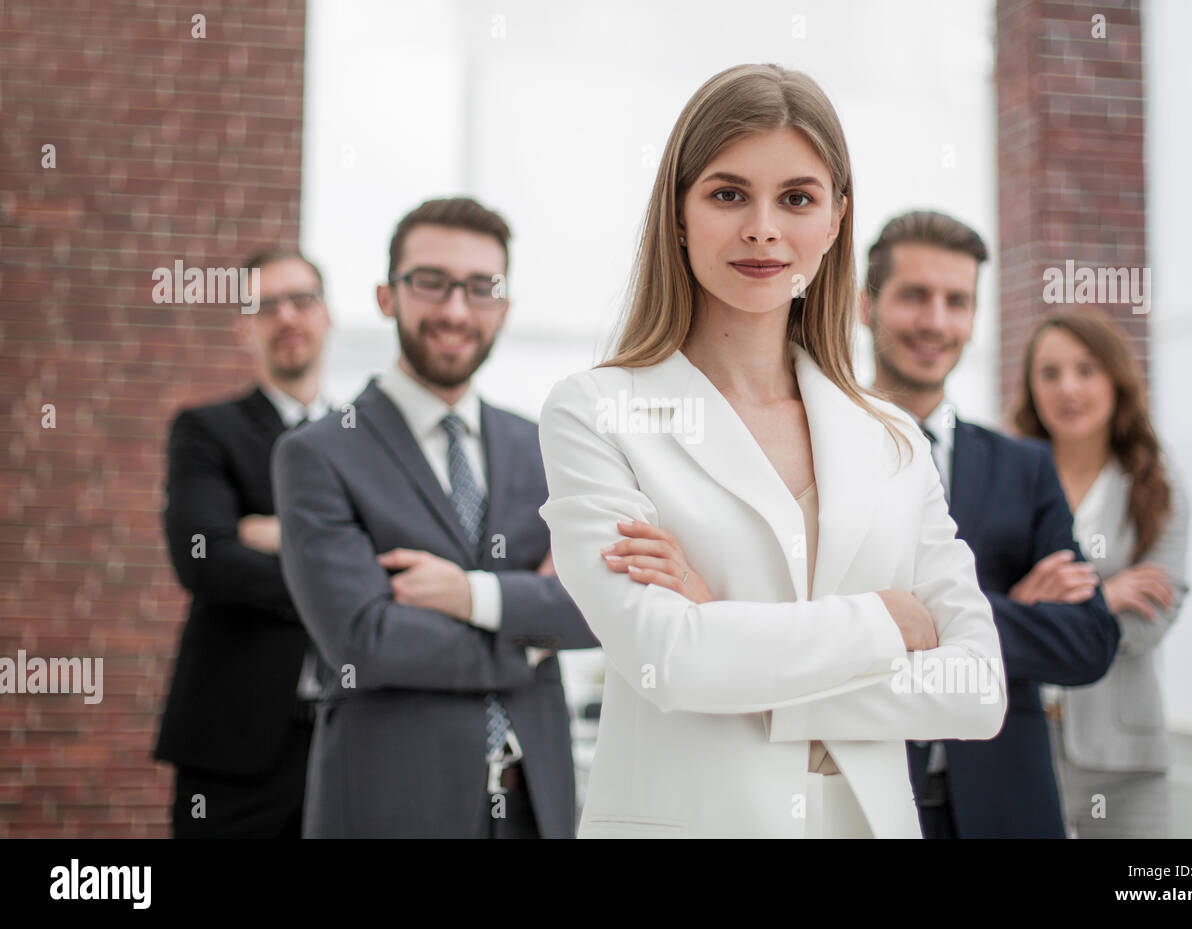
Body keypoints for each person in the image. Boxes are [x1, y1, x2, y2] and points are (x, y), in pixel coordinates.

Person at [537, 64, 1006, 839]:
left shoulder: (892, 438)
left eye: (796, 198)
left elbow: (976, 687)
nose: (763, 227)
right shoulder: (596, 412)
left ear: (834, 220)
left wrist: (723, 624)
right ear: (680, 215)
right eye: (728, 194)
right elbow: (668, 662)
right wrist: (886, 622)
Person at [272, 197, 599, 838]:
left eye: (481, 288)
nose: (455, 309)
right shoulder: (317, 453)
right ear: (387, 296)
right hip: (390, 808)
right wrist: (530, 636)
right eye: (431, 283)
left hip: (535, 808)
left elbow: (597, 607)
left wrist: (471, 596)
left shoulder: (543, 448)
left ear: (503, 307)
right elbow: (364, 642)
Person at [859, 211, 1119, 838]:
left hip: (1009, 803)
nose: (938, 322)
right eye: (915, 296)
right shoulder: (816, 450)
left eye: (958, 302)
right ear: (867, 306)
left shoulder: (1024, 466)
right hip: (867, 795)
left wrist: (942, 615)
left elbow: (1089, 641)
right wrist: (1008, 609)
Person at [155, 250, 333, 837]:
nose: (287, 317)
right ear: (244, 329)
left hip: (350, 733)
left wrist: (279, 534)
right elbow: (205, 557)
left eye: (301, 300)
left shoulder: (366, 437)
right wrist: (339, 560)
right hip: (235, 744)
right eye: (265, 306)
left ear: (327, 316)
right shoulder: (206, 430)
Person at [1013, 311, 1190, 838]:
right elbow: (982, 611)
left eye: (1085, 369)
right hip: (1018, 745)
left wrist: (1037, 611)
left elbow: (1155, 612)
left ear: (1115, 378)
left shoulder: (1156, 484)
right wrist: (1105, 596)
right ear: (1031, 387)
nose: (1068, 388)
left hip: (1125, 756)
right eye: (1050, 373)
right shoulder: (1010, 478)